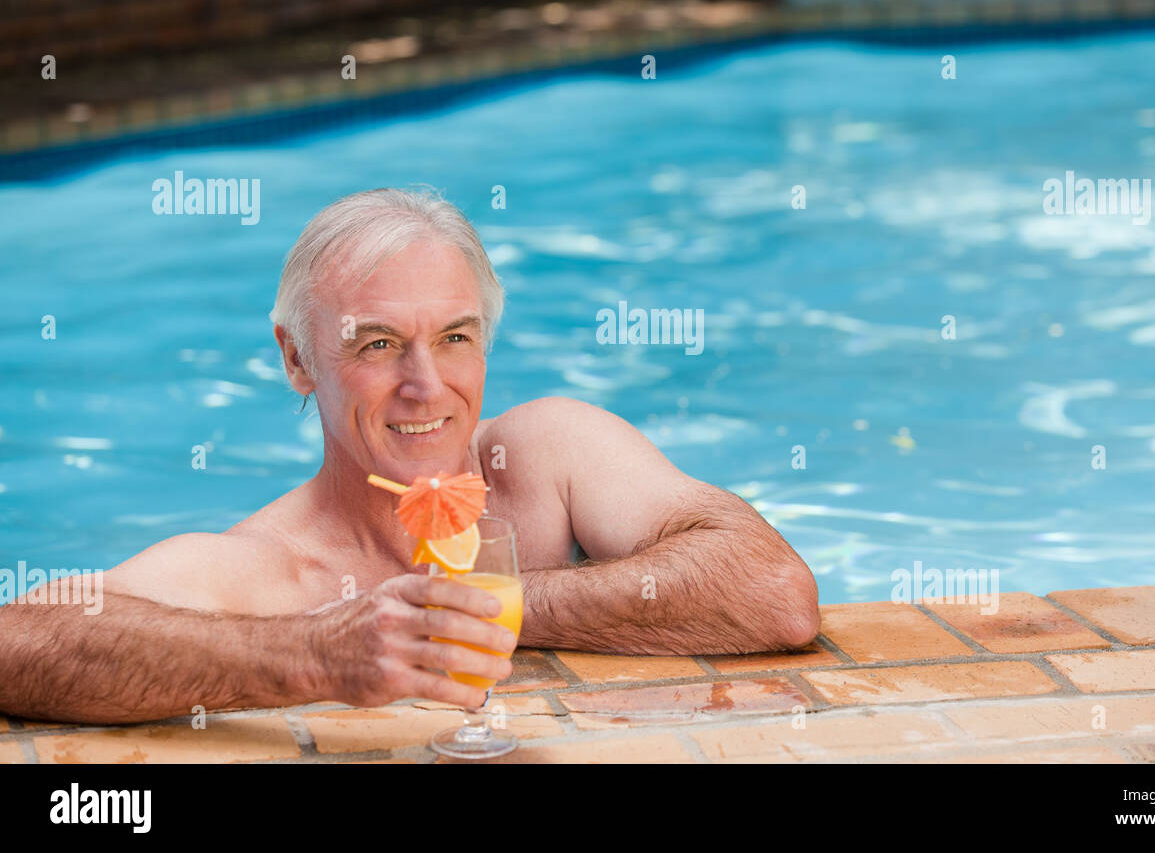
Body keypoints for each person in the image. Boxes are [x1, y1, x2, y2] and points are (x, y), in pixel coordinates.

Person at [0, 188, 820, 724]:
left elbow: (775, 594)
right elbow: (21, 641)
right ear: (296, 360)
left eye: (455, 339)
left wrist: (480, 612)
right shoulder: (267, 570)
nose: (426, 386)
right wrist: (315, 652)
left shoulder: (548, 457)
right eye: (379, 343)